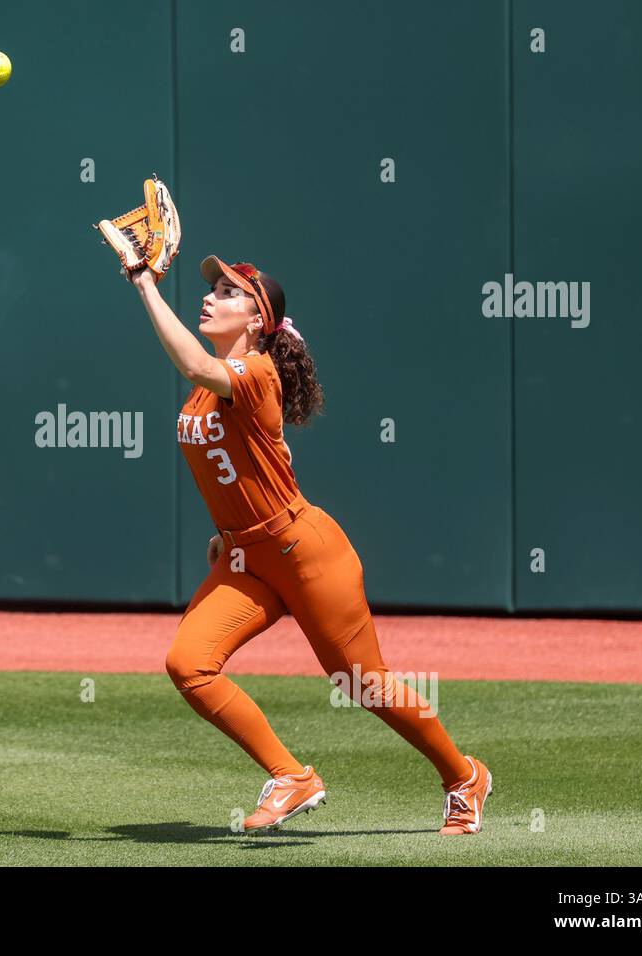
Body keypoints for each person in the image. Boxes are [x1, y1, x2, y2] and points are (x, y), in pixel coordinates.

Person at [130, 255, 493, 834]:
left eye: (228, 292)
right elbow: (247, 463)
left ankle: (463, 776)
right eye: (214, 289)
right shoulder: (214, 389)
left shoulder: (255, 373)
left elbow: (196, 365)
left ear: (256, 320)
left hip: (305, 552)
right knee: (189, 664)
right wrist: (227, 534)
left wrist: (146, 283)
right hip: (247, 557)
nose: (210, 296)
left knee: (361, 683)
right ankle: (291, 775)